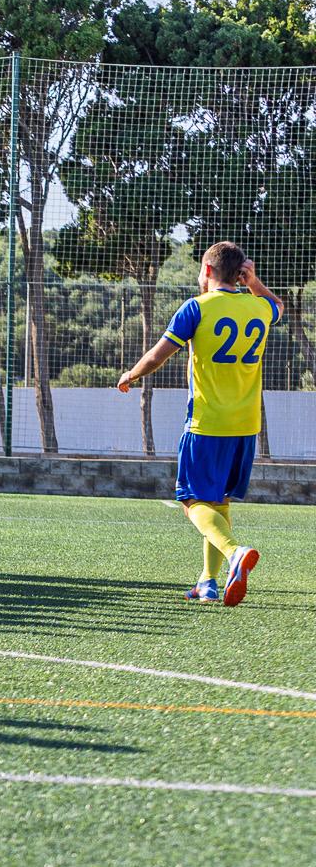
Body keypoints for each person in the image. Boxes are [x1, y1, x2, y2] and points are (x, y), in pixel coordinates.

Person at [118, 243, 278, 606]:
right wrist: (254, 282)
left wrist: (129, 374)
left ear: (207, 270)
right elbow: (278, 306)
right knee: (218, 502)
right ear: (240, 273)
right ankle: (208, 582)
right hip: (246, 425)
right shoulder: (259, 307)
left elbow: (158, 355)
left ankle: (235, 552)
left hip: (206, 424)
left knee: (191, 501)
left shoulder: (196, 308)